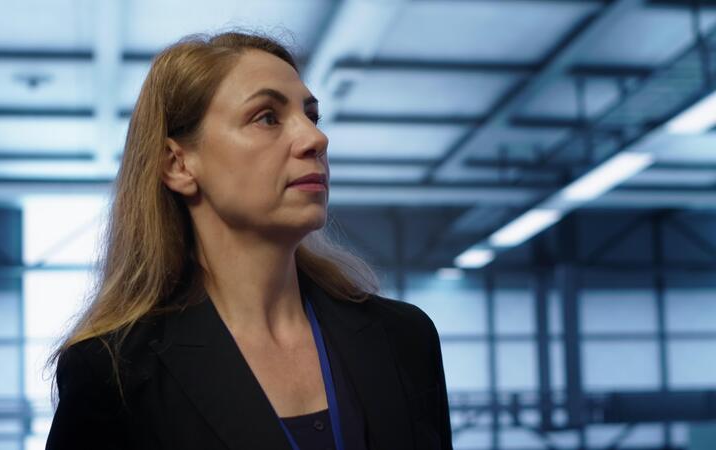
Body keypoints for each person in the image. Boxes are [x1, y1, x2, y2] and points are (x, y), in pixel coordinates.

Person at [45, 30, 452, 450]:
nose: (316, 139)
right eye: (267, 117)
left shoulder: (405, 338)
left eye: (312, 116)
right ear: (178, 164)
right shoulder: (114, 373)